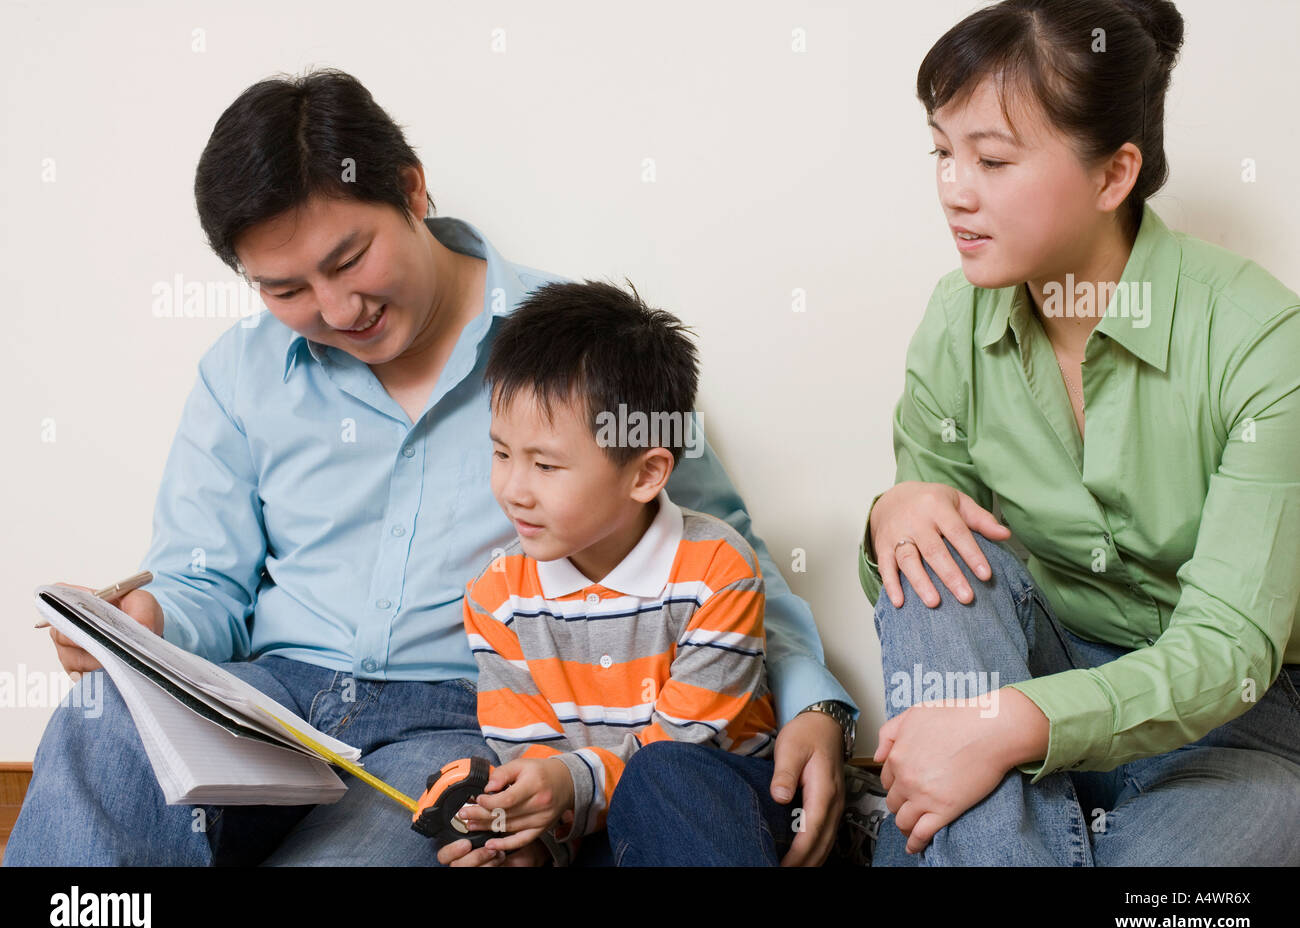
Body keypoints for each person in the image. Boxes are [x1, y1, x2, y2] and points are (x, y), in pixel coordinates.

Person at [6, 68, 856, 867]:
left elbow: (715, 554)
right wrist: (149, 618)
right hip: (273, 702)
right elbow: (207, 587)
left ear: (412, 189)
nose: (338, 311)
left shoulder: (578, 348)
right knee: (98, 720)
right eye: (286, 289)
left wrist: (814, 701)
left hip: (460, 719)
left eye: (348, 260)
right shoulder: (239, 374)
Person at [860, 0, 1300, 865]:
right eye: (942, 152)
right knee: (924, 551)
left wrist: (1010, 726)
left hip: (1240, 731)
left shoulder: (1262, 342)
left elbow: (1227, 648)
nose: (954, 188)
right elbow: (945, 602)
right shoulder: (958, 320)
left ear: (1113, 176)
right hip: (1038, 668)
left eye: (990, 158)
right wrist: (895, 509)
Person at [440, 279, 786, 867]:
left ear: (646, 474)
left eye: (545, 464)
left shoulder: (717, 573)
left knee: (662, 775)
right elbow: (539, 769)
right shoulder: (496, 597)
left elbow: (685, 747)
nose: (512, 490)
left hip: (718, 811)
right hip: (595, 832)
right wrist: (528, 839)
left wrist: (564, 786)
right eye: (501, 454)